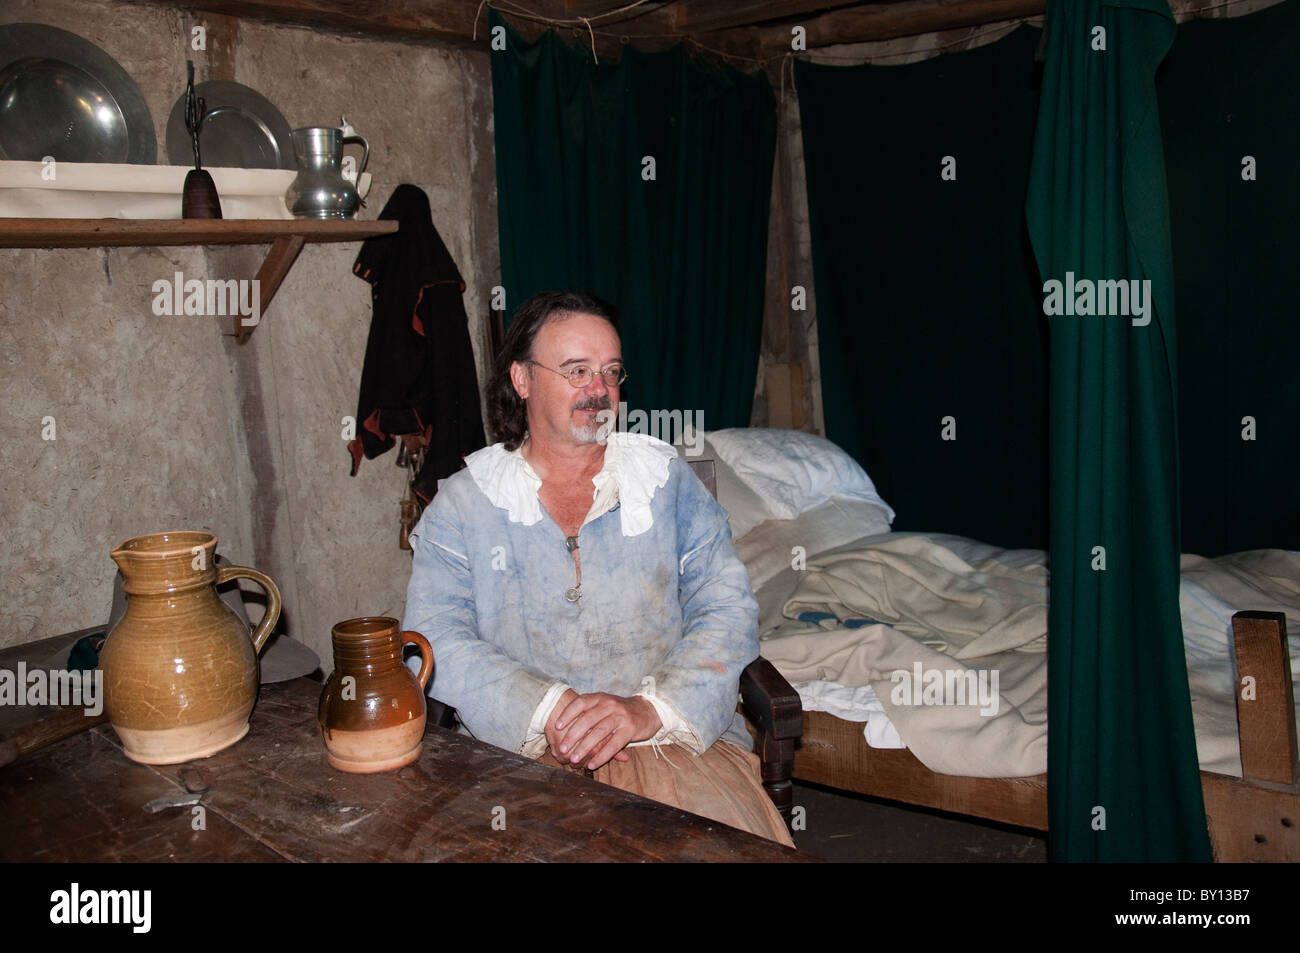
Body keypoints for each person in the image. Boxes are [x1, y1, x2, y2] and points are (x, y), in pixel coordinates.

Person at [402, 290, 794, 847]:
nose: (599, 390)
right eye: (577, 370)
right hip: (518, 754)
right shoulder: (465, 504)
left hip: (668, 745)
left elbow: (727, 609)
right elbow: (433, 636)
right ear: (522, 379)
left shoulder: (663, 482)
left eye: (611, 372)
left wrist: (647, 709)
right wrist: (548, 707)